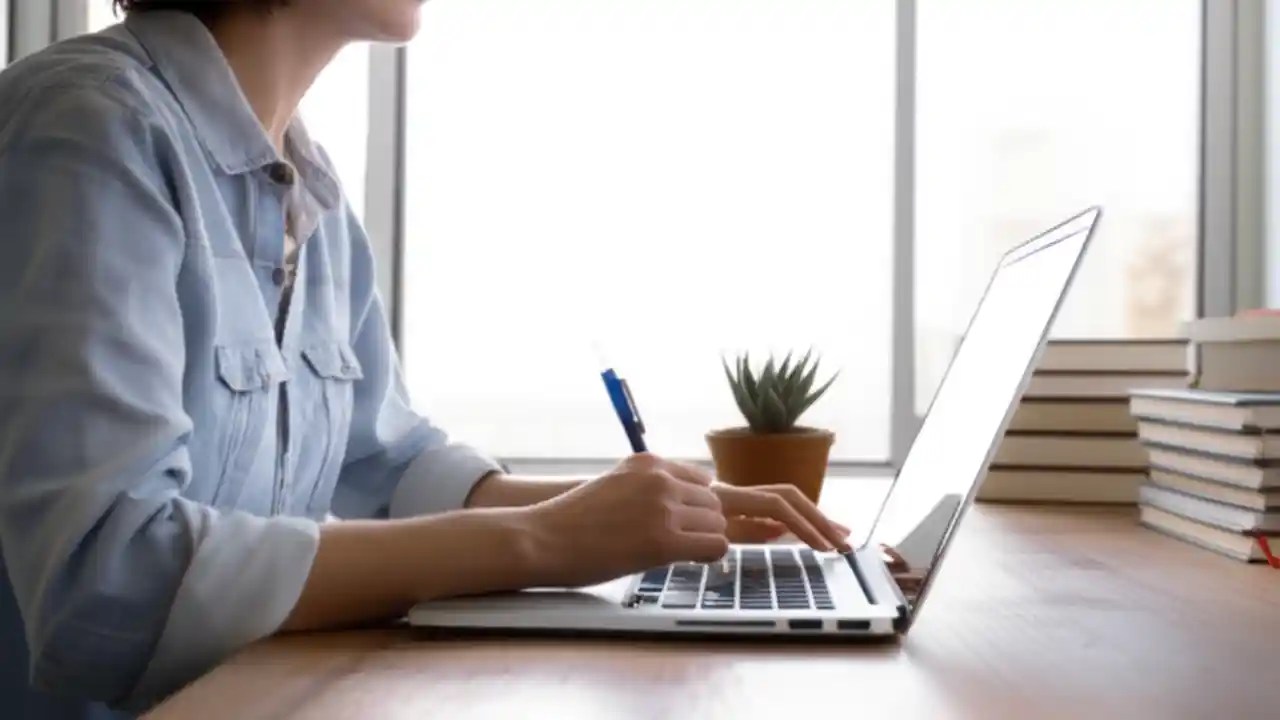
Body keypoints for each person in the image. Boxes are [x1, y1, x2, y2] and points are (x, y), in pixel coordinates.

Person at [0, 1, 853, 717]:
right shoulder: (89, 131)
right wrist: (546, 539)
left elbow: (390, 467)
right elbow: (106, 581)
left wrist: (653, 512)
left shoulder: (309, 193)